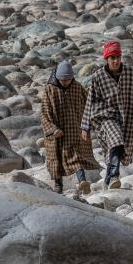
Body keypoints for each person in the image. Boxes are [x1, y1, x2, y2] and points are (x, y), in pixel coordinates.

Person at [81, 40, 133, 189]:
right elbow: (89, 102)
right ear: (107, 59)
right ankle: (114, 176)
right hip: (105, 116)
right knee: (116, 141)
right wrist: (85, 126)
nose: (116, 61)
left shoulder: (130, 73)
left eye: (118, 57)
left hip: (129, 117)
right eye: (113, 58)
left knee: (119, 150)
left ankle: (107, 182)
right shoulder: (98, 77)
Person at [40, 60, 98, 194]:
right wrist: (53, 129)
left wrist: (89, 125)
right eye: (63, 80)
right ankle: (58, 186)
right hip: (56, 133)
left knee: (75, 156)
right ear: (57, 77)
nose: (66, 82)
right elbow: (44, 113)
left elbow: (88, 105)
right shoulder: (50, 90)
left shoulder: (77, 87)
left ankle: (82, 181)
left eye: (68, 79)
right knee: (55, 160)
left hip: (73, 130)